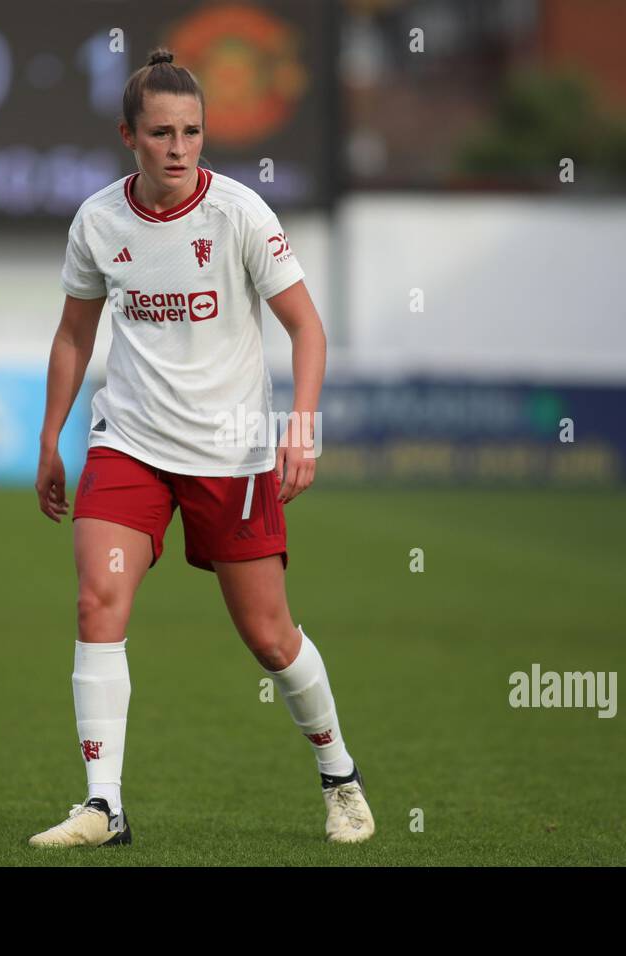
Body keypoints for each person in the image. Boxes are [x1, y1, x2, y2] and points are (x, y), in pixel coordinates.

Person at [28, 49, 374, 847]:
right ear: (129, 136)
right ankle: (102, 805)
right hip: (130, 446)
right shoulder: (98, 221)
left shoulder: (242, 216)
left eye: (192, 132)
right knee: (96, 601)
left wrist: (304, 426)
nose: (180, 148)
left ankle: (341, 778)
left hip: (233, 454)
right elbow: (75, 334)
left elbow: (306, 329)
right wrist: (51, 438)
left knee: (269, 636)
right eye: (161, 133)